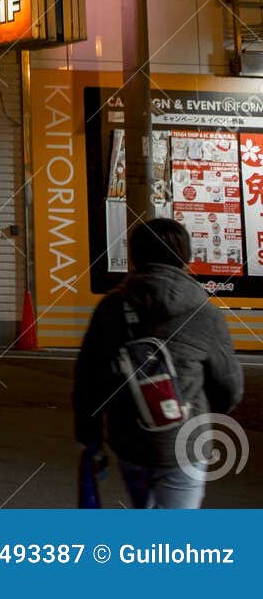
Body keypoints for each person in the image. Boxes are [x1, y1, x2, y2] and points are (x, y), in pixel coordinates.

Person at [73, 217, 244, 508]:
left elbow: (88, 381)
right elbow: (229, 388)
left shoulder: (112, 308)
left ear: (135, 257)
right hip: (185, 444)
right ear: (186, 257)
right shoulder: (206, 313)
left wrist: (90, 437)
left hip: (130, 441)